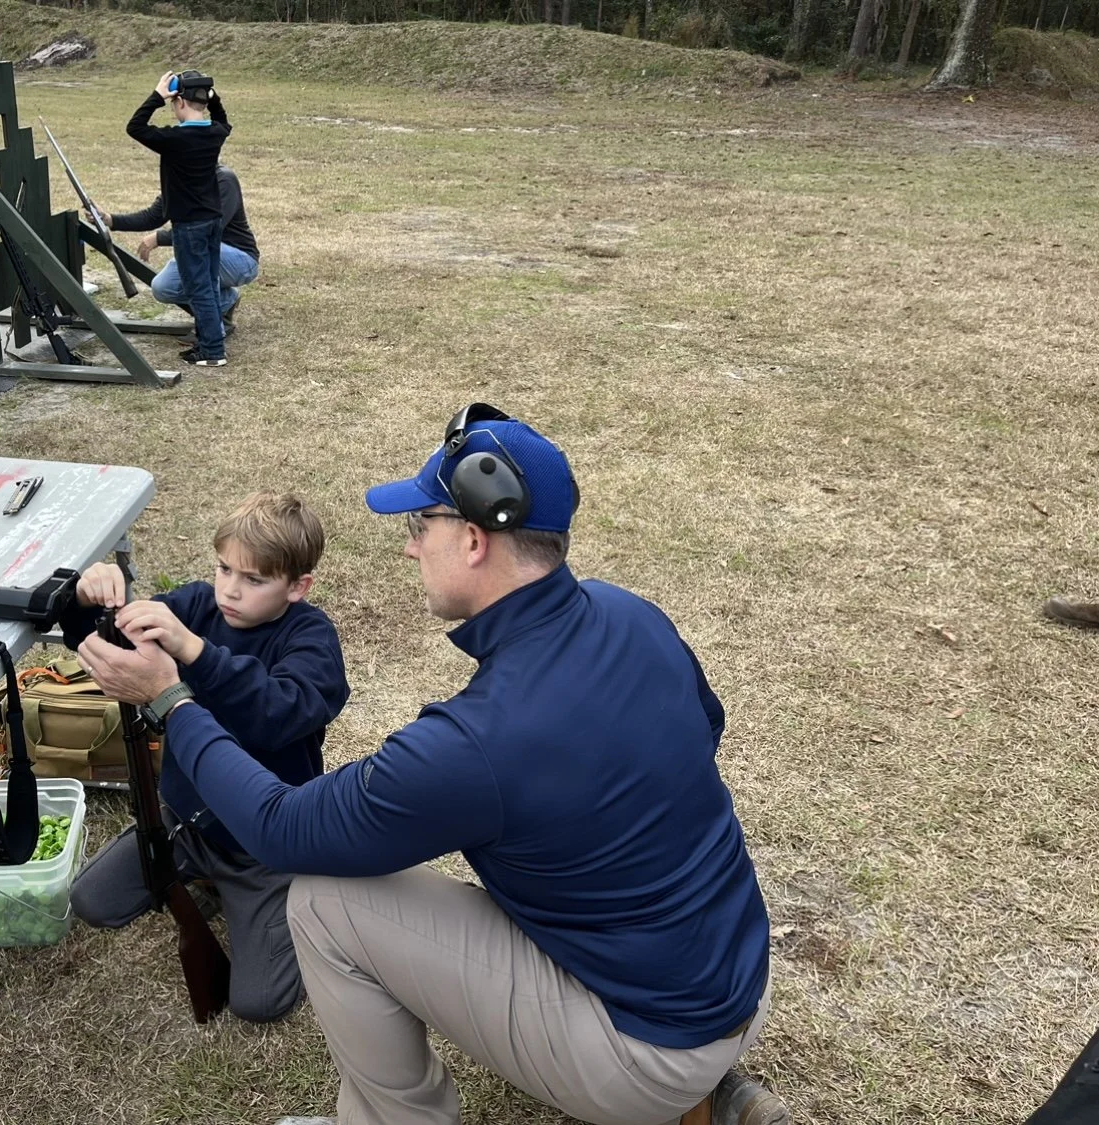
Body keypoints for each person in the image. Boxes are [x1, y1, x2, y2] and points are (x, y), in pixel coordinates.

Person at [78, 405, 787, 1125]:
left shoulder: (475, 739)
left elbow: (280, 827)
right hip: (737, 983)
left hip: (640, 1052)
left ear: (474, 539)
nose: (411, 549)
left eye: (420, 528)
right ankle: (712, 1088)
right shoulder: (628, 611)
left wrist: (169, 696)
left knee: (324, 901)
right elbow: (705, 728)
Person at [61, 490, 349, 1023]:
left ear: (298, 586)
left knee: (258, 1003)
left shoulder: (310, 637)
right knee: (91, 903)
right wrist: (84, 600)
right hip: (184, 822)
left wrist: (193, 651)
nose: (230, 591)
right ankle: (204, 882)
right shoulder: (195, 604)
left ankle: (288, 896)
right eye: (223, 569)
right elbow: (104, 647)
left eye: (255, 579)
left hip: (265, 847)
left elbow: (279, 713)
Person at [126, 69, 231, 367]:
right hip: (212, 221)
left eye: (173, 103)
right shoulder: (214, 133)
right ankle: (210, 343)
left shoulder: (174, 139)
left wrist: (156, 97)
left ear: (181, 102)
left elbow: (135, 127)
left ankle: (212, 351)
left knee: (198, 288)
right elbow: (223, 120)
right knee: (208, 284)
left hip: (189, 226)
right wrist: (213, 97)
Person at [95, 164, 260, 338]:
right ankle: (226, 301)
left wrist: (160, 238)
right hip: (200, 252)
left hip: (240, 259)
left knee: (196, 254)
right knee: (163, 287)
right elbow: (152, 216)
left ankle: (211, 334)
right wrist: (109, 219)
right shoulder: (179, 180)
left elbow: (208, 229)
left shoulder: (224, 179)